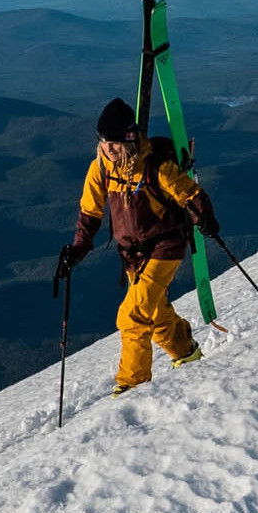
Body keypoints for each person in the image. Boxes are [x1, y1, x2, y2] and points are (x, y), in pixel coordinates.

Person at [60, 98, 219, 393]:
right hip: (132, 255)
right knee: (154, 311)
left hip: (165, 247)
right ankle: (187, 351)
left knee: (132, 315)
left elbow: (190, 193)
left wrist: (205, 218)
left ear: (130, 139)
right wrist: (78, 249)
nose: (109, 148)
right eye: (105, 141)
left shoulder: (154, 166)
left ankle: (132, 385)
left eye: (116, 143)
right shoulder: (101, 168)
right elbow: (90, 212)